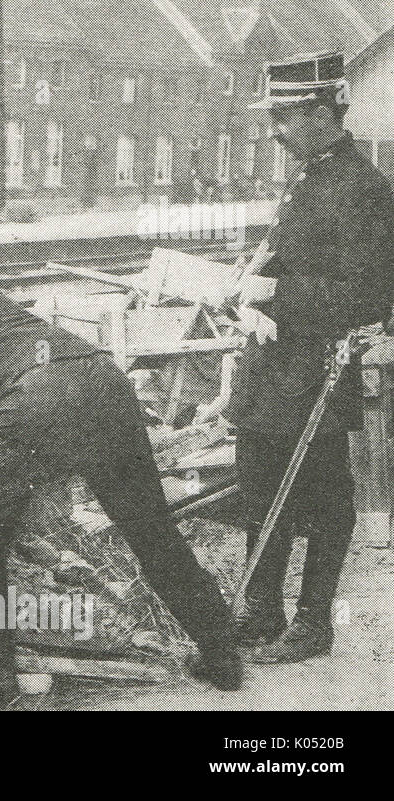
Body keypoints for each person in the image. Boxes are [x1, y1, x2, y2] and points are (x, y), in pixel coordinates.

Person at [0, 228, 242, 706]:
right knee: (152, 532)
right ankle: (223, 656)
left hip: (34, 403)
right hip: (101, 382)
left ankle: (2, 689)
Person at [228, 51, 394, 664]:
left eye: (287, 115)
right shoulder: (311, 179)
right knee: (258, 486)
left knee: (325, 499)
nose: (276, 129)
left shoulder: (364, 190)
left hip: (320, 369)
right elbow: (290, 257)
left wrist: (277, 294)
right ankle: (262, 612)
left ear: (326, 113)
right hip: (274, 369)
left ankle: (314, 622)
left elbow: (365, 295)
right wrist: (252, 287)